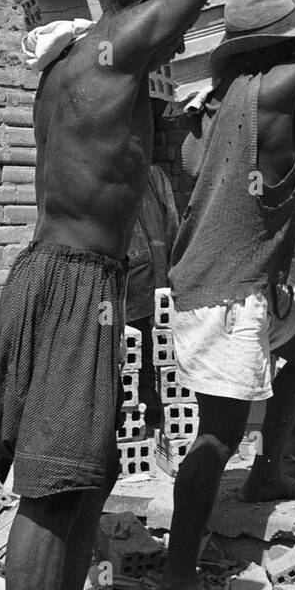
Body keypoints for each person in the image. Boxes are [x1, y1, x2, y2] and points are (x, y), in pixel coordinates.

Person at [0, 0, 234, 590]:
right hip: (68, 283)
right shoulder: (118, 50)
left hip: (66, 279)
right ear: (150, 15)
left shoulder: (66, 64)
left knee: (85, 481)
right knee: (54, 493)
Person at [155, 0, 295, 590]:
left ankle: (269, 473)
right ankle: (177, 573)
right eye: (294, 46)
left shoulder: (214, 107)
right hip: (224, 294)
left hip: (241, 283)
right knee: (217, 432)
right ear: (279, 52)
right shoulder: (271, 93)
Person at [125, 121, 180, 429]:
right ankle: (140, 418)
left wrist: (172, 272)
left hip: (157, 279)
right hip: (131, 284)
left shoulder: (155, 177)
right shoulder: (112, 179)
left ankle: (157, 417)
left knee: (157, 351)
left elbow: (172, 225)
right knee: (135, 354)